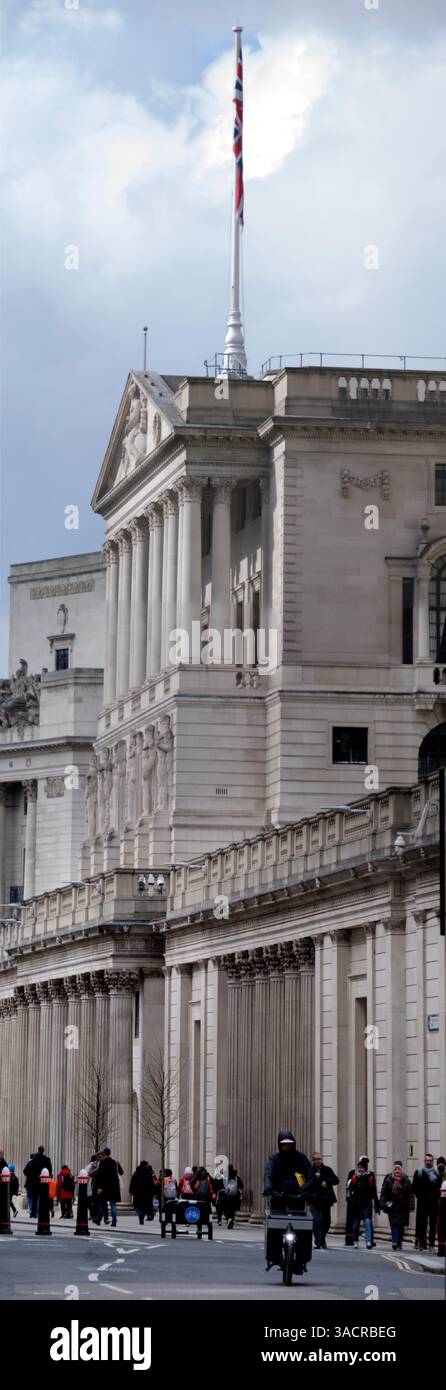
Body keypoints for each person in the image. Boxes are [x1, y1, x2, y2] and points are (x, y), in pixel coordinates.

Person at [346, 1156, 380, 1249]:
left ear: (365, 1168)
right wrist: (350, 1201)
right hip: (356, 1204)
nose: (360, 1169)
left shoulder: (370, 1177)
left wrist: (377, 1204)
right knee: (356, 1225)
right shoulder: (354, 1177)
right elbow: (349, 1190)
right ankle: (356, 1241)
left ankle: (368, 1242)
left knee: (368, 1222)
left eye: (362, 1168)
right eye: (359, 1167)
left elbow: (374, 1191)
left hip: (367, 1203)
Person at [308, 1152, 339, 1249]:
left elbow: (336, 1180)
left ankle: (322, 1238)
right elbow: (306, 1183)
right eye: (316, 1159)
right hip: (314, 1199)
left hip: (326, 1199)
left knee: (326, 1221)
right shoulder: (309, 1170)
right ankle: (318, 1241)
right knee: (316, 1221)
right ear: (313, 1161)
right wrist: (315, 1178)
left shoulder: (327, 1170)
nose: (318, 1161)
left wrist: (327, 1182)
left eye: (319, 1159)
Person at [380, 1162, 413, 1250]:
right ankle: (394, 1242)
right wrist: (382, 1204)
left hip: (403, 1206)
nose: (397, 1171)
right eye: (395, 1169)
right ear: (393, 1171)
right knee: (394, 1225)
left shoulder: (406, 1180)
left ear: (401, 1171)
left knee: (401, 1226)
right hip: (392, 1206)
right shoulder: (388, 1180)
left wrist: (411, 1205)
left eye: (399, 1169)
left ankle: (399, 1242)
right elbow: (384, 1192)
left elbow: (410, 1194)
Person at [412, 1153, 440, 1250]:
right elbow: (414, 1187)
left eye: (430, 1161)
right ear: (424, 1161)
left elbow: (439, 1187)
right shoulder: (419, 1172)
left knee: (432, 1224)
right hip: (422, 1202)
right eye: (427, 1160)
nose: (429, 1162)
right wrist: (419, 1196)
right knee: (421, 1223)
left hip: (433, 1202)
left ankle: (431, 1243)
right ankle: (421, 1243)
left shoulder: (437, 1173)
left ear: (433, 1161)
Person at [92, 1147, 123, 1227]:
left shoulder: (102, 1163)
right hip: (114, 1187)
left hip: (104, 1187)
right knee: (113, 1205)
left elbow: (100, 1176)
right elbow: (121, 1172)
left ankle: (98, 1220)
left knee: (102, 1204)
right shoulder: (115, 1162)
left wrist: (99, 1187)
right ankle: (114, 1221)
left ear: (104, 1154)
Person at [23, 1146, 53, 1218]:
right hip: (44, 1182)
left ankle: (33, 1213)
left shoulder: (34, 1159)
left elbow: (31, 1170)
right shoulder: (47, 1160)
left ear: (38, 1150)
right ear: (43, 1151)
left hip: (35, 1181)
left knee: (34, 1198)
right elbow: (50, 1170)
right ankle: (42, 1212)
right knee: (43, 1198)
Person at [216, 1165, 243, 1230]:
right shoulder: (236, 1177)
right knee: (232, 1210)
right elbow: (241, 1185)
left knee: (226, 1209)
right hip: (235, 1196)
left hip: (225, 1195)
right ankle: (231, 1220)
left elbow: (218, 1186)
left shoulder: (224, 1177)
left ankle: (228, 1219)